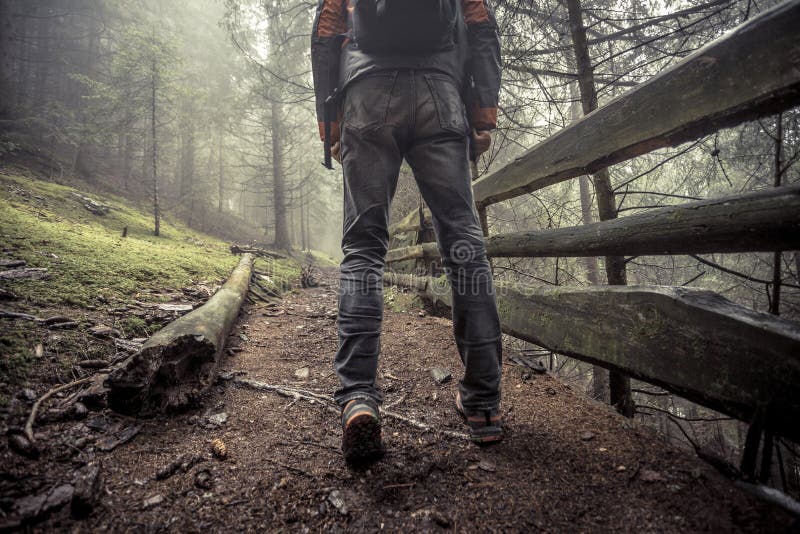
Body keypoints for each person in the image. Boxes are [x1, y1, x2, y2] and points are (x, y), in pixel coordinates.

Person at [311, 0, 503, 464]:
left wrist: (330, 124)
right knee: (463, 242)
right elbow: (481, 29)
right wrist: (483, 113)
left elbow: (325, 33)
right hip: (441, 95)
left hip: (367, 93)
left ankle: (358, 396)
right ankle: (482, 404)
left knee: (363, 247)